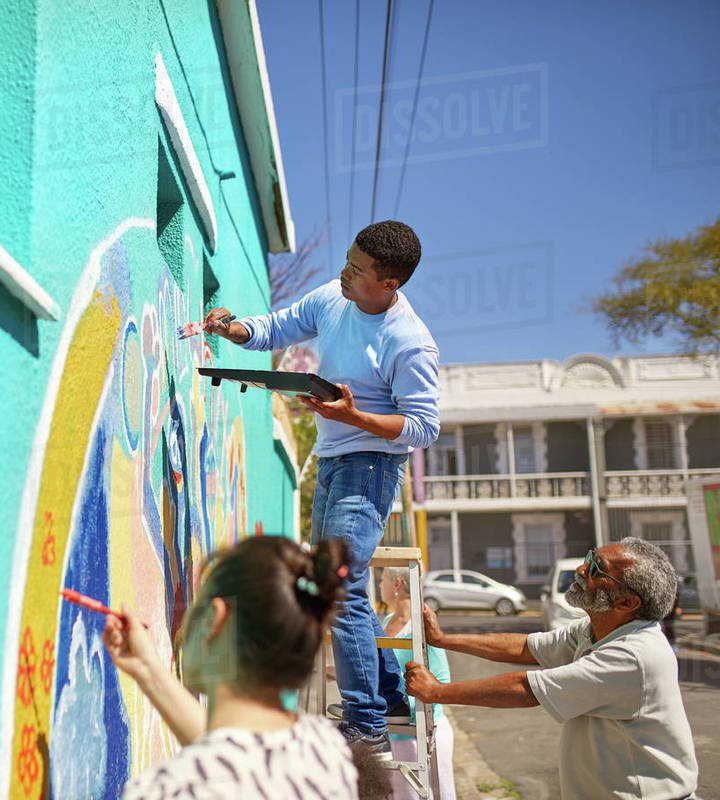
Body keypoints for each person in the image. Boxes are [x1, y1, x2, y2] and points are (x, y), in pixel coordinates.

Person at [204, 220, 440, 756]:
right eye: (348, 260)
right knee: (338, 583)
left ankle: (366, 724)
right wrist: (233, 329)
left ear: (390, 284)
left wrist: (355, 417)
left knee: (337, 585)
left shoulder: (409, 342)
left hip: (372, 466)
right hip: (333, 460)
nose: (344, 273)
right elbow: (277, 327)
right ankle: (388, 698)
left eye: (358, 270)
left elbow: (424, 427)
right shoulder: (333, 298)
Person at [405, 538, 699, 799]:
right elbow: (526, 647)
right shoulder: (596, 629)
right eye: (590, 558)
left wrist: (437, 692)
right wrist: (443, 640)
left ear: (626, 602)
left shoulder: (633, 655)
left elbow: (528, 689)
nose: (581, 570)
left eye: (596, 569)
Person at [102, 536, 363, 799]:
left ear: (212, 621)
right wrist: (147, 668)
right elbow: (232, 757)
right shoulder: (326, 750)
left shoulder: (166, 790)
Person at [377, 567, 456, 799]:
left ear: (397, 584)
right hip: (396, 732)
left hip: (426, 733)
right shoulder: (387, 621)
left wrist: (406, 705)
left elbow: (442, 680)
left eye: (382, 580)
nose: (379, 585)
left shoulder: (420, 624)